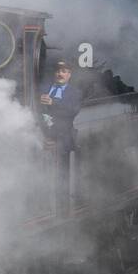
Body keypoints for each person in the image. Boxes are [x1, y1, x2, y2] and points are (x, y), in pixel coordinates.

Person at [41, 61, 84, 213]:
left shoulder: (75, 93)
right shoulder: (44, 88)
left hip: (62, 138)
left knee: (62, 175)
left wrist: (53, 103)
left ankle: (62, 207)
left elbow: (72, 111)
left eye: (64, 71)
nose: (60, 74)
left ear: (69, 74)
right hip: (41, 136)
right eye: (58, 71)